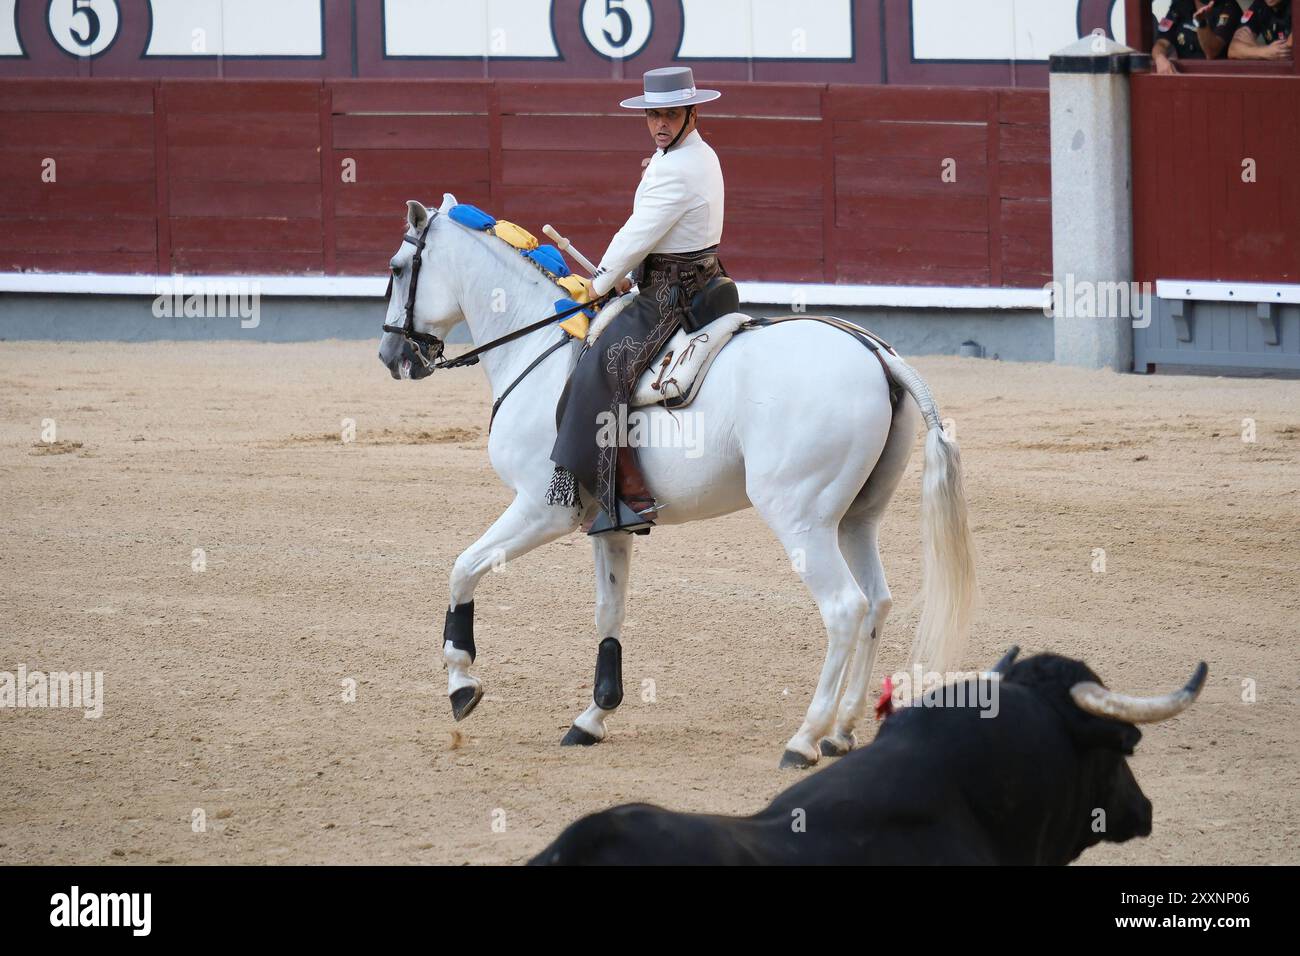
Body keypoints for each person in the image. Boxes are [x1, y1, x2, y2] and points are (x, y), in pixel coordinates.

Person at [547, 67, 725, 535]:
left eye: (669, 114)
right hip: (694, 280)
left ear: (691, 112)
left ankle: (631, 495)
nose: (659, 124)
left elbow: (637, 235)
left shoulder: (676, 167)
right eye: (653, 115)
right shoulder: (689, 155)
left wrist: (600, 282)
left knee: (603, 363)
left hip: (672, 295)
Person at [1152, 0, 1242, 73]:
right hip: (1182, 77)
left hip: (1216, 79)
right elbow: (1161, 42)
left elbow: (1212, 51)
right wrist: (1159, 58)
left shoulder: (1229, 7)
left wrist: (1201, 22)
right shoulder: (1180, 5)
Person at [1228, 0, 1292, 59]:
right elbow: (1233, 50)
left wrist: (1249, 49)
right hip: (1276, 69)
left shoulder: (1296, 5)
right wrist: (1264, 51)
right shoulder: (1259, 5)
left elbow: (1290, 48)